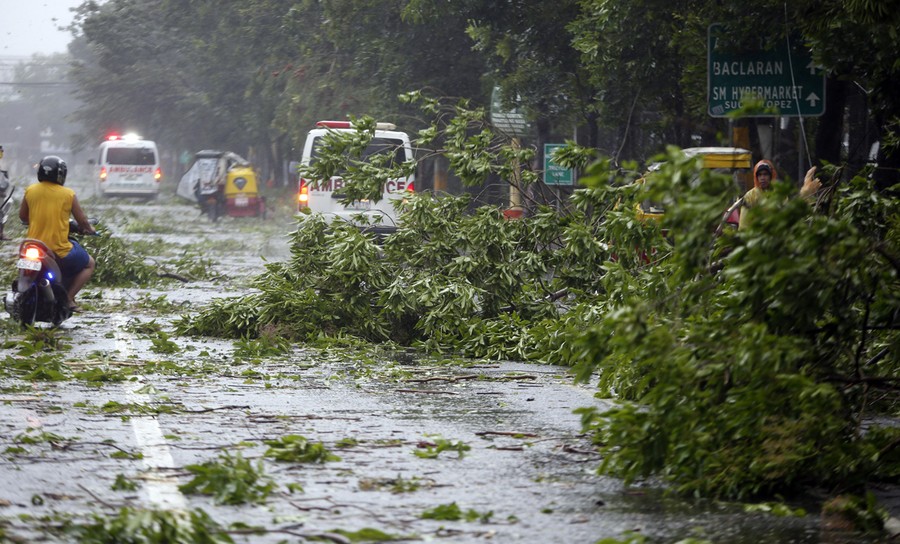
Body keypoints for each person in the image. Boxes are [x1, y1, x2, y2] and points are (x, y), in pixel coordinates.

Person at [18, 156, 96, 312]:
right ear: (61, 174)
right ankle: (68, 299)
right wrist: (90, 229)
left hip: (32, 246)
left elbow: (23, 216)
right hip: (58, 250)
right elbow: (82, 221)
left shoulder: (30, 190)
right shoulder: (68, 194)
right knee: (90, 263)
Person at [737, 160, 822, 230]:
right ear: (756, 177)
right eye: (759, 175)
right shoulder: (750, 196)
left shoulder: (779, 193)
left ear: (771, 176)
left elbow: (786, 216)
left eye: (765, 174)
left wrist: (805, 194)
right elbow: (743, 225)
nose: (762, 178)